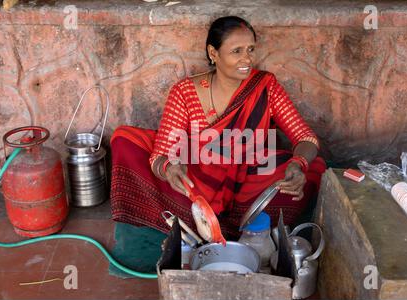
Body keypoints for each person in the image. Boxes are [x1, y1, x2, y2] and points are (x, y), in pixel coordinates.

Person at [110, 16, 326, 241]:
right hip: (197, 182)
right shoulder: (185, 92)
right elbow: (161, 154)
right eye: (237, 51)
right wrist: (169, 168)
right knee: (125, 140)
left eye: (251, 49)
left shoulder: (266, 86)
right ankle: (205, 221)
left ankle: (207, 226)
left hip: (248, 182)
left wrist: (298, 164)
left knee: (313, 168)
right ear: (214, 53)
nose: (247, 59)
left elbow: (305, 137)